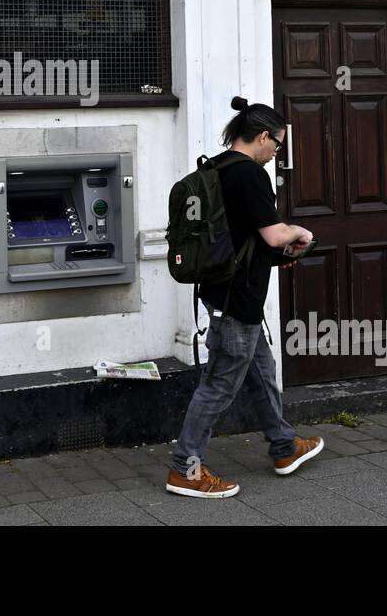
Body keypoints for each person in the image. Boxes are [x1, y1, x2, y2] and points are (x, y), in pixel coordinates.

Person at [165, 96, 324, 499]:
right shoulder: (250, 175)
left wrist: (279, 249)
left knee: (262, 373)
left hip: (224, 291)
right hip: (238, 299)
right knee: (218, 385)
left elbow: (244, 238)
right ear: (263, 136)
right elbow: (272, 234)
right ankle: (186, 468)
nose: (277, 153)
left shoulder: (216, 168)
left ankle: (284, 447)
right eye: (278, 144)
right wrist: (297, 232)